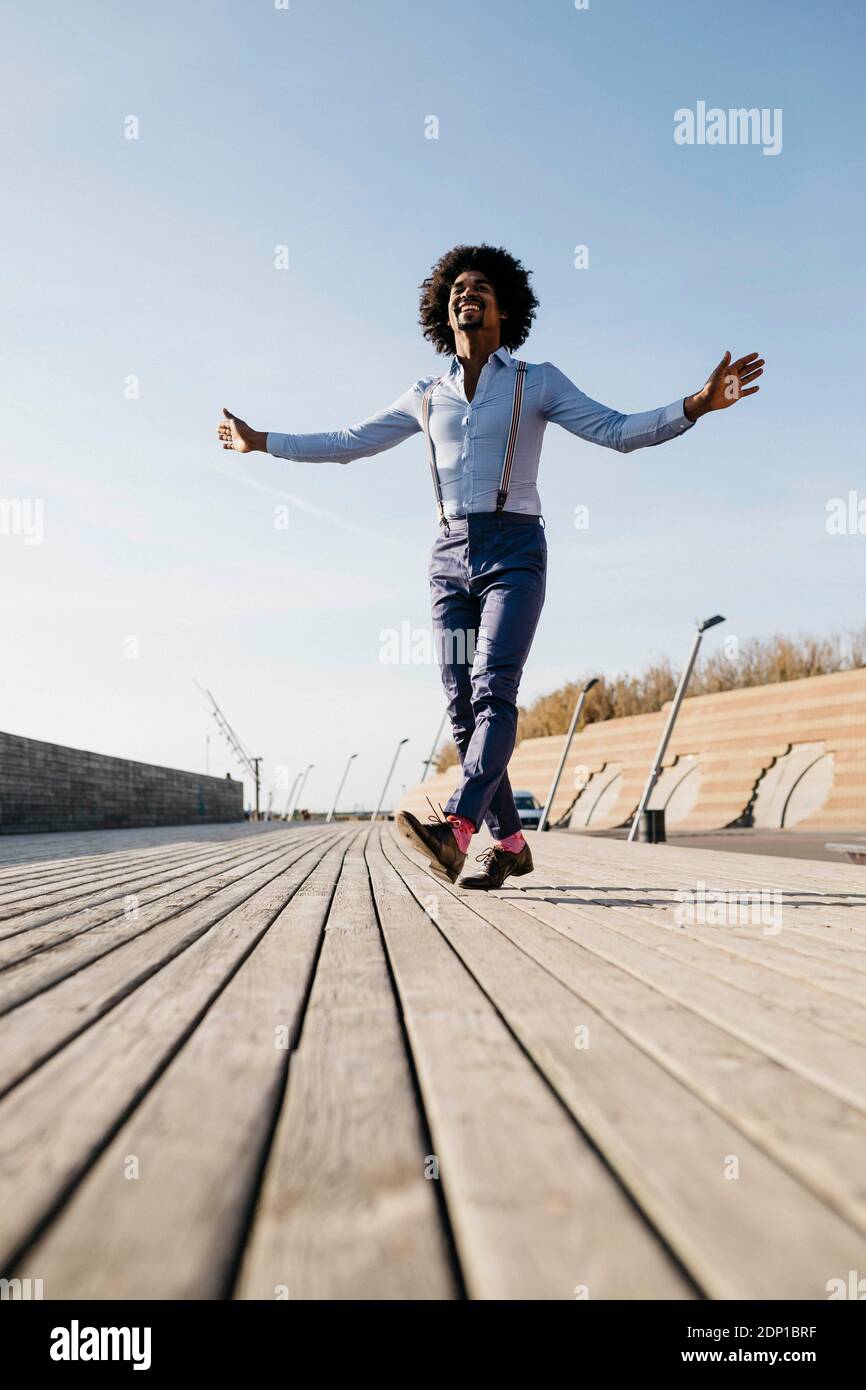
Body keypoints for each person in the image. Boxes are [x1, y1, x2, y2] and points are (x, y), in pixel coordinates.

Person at [216, 244, 763, 889]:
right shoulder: (426, 394)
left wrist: (694, 405)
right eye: (456, 290)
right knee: (458, 702)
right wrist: (262, 442)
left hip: (515, 550)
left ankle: (458, 829)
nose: (465, 294)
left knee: (493, 687)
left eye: (479, 288)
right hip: (448, 558)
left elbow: (617, 430)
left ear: (504, 310)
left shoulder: (538, 381)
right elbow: (346, 444)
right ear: (443, 313)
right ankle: (509, 842)